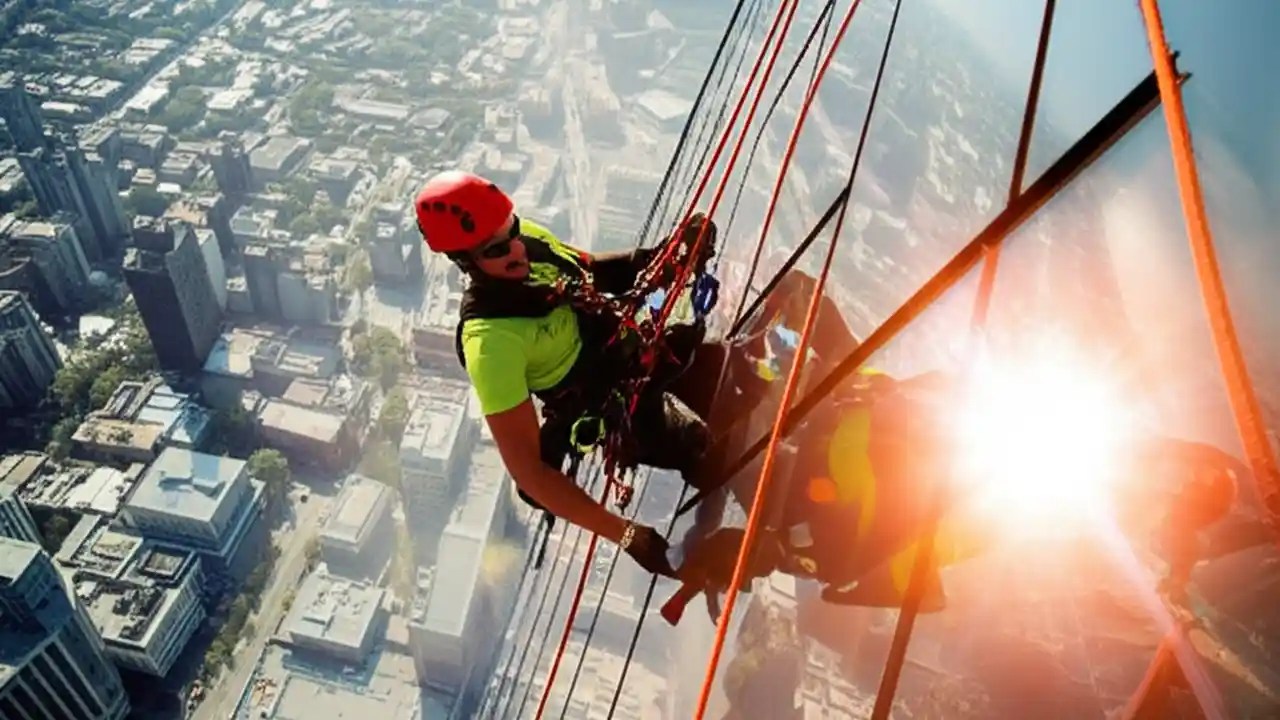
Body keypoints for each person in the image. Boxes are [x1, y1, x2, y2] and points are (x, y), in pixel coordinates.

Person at [413, 170, 721, 578]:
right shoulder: (491, 343)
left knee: (734, 378)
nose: (517, 249)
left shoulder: (530, 245)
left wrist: (664, 255)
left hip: (639, 354)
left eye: (514, 230)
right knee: (709, 456)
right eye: (497, 248)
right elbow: (530, 474)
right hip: (618, 409)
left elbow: (593, 273)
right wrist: (626, 535)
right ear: (466, 262)